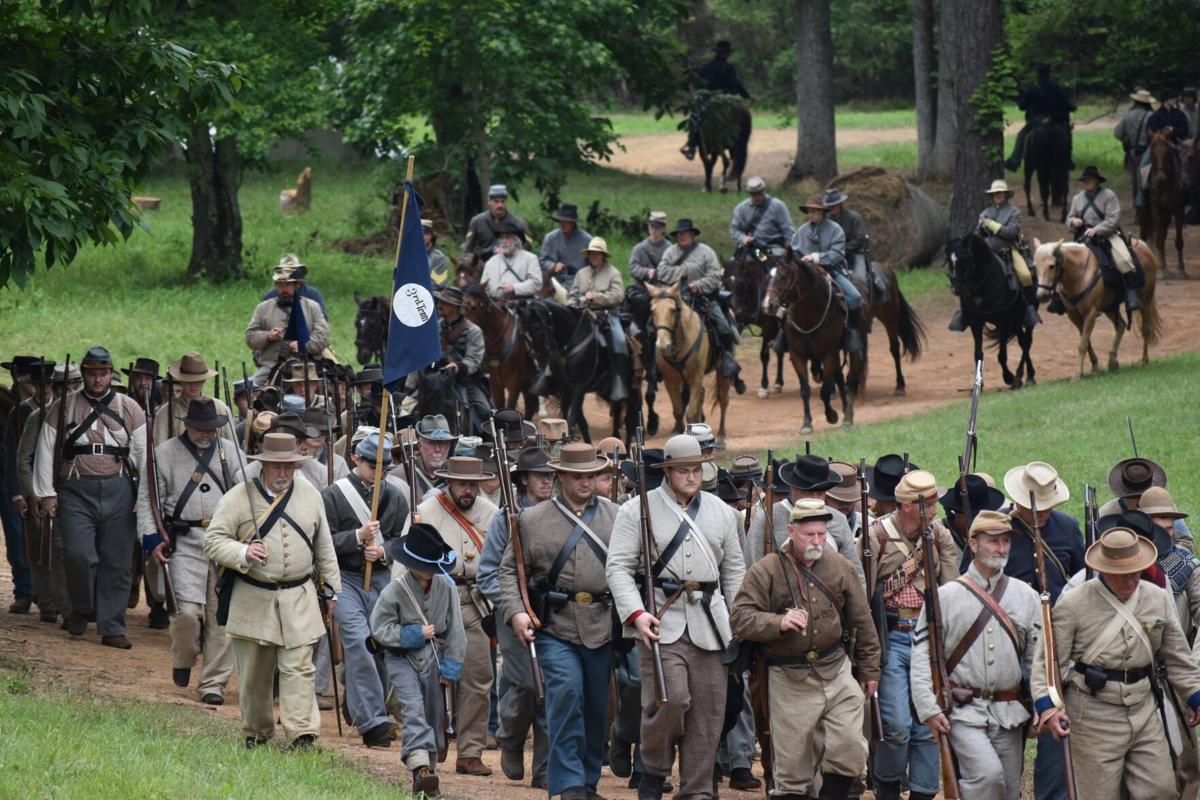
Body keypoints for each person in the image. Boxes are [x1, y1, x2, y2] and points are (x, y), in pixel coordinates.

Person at [606, 434, 747, 800]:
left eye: (696, 469)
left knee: (708, 713)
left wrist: (736, 626)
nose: (691, 476)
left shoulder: (723, 513)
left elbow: (734, 572)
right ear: (667, 472)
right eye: (683, 470)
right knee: (671, 702)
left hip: (712, 626)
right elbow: (619, 568)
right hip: (660, 622)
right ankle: (653, 769)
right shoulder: (636, 510)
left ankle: (697, 791)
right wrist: (636, 613)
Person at [1032, 528, 1200, 800]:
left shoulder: (1156, 597)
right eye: (1124, 574)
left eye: (1137, 571)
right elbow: (1047, 663)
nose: (1132, 579)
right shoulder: (1074, 604)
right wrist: (1048, 707)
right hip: (1093, 714)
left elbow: (1178, 657)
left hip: (1144, 709)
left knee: (1161, 790)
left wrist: (1194, 696)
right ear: (1104, 569)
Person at [731, 499, 881, 800]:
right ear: (790, 531)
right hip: (789, 676)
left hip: (836, 669)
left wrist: (869, 669)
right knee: (793, 772)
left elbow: (862, 620)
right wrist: (778, 621)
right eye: (809, 534)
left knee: (851, 748)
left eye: (822, 534)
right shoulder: (766, 570)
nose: (817, 541)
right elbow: (740, 617)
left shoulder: (841, 567)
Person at [202, 433, 341, 750]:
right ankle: (257, 731)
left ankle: (302, 733)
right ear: (263, 465)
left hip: (300, 595)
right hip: (254, 596)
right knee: (254, 674)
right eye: (277, 467)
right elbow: (212, 541)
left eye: (289, 467)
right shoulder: (238, 497)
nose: (283, 474)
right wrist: (243, 553)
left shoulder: (310, 494)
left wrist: (332, 590)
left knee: (299, 669)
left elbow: (324, 545)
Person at [500, 443, 619, 800]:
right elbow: (509, 571)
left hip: (602, 623)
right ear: (561, 476)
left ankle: (587, 780)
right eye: (578, 476)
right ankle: (568, 784)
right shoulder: (532, 519)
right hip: (554, 625)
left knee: (598, 707)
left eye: (591, 476)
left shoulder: (617, 516)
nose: (585, 483)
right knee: (565, 694)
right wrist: (516, 611)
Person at [910, 510, 1042, 800]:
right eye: (993, 541)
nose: (1001, 548)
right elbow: (922, 655)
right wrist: (929, 708)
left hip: (1009, 711)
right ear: (972, 543)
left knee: (1008, 789)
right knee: (986, 777)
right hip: (963, 711)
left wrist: (1041, 704)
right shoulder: (945, 597)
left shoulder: (1026, 596)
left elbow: (1038, 659)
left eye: (1006, 541)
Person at [33, 347, 147, 648]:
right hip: (75, 488)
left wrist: (144, 497)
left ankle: (112, 626)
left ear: (111, 374)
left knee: (118, 561)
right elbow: (46, 450)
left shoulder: (129, 408)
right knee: (77, 555)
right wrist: (46, 494)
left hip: (119, 487)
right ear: (83, 374)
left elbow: (144, 455)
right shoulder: (63, 407)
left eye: (103, 373)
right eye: (92, 373)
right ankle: (83, 608)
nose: (98, 379)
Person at [986, 460, 1084, 800]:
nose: (1042, 514)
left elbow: (1083, 583)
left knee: (1054, 725)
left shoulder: (1069, 529)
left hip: (1058, 643)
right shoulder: (998, 531)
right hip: (1009, 643)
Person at [136, 398, 243, 704]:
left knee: (221, 619)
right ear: (187, 425)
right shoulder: (164, 454)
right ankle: (184, 658)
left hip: (224, 541)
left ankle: (213, 684)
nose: (205, 434)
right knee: (185, 613)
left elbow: (244, 493)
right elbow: (148, 500)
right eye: (200, 428)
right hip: (182, 541)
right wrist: (152, 539)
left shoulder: (230, 453)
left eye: (210, 429)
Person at [863, 470, 960, 800]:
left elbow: (951, 589)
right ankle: (887, 788)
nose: (934, 511)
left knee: (926, 726)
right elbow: (864, 596)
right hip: (889, 637)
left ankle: (922, 791)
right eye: (928, 505)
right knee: (897, 726)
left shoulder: (939, 535)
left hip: (927, 637)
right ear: (906, 506)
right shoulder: (876, 536)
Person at [322, 431, 408, 747]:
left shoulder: (395, 497)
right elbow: (324, 542)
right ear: (357, 459)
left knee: (383, 646)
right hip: (344, 578)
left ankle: (361, 705)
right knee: (360, 642)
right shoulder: (333, 495)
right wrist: (356, 537)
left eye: (384, 465)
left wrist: (383, 552)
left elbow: (401, 542)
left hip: (380, 579)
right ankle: (374, 721)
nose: (379, 471)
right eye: (373, 464)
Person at [478, 445, 556, 789]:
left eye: (551, 475)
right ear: (523, 480)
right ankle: (510, 737)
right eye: (540, 475)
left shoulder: (559, 514)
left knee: (550, 690)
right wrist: (514, 609)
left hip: (553, 614)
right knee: (525, 685)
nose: (547, 482)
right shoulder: (505, 517)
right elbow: (487, 574)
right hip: (513, 614)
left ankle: (544, 767)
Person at [417, 455, 500, 777]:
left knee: (478, 679)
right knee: (430, 681)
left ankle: (470, 751)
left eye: (473, 484)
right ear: (448, 482)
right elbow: (410, 564)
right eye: (462, 484)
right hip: (435, 601)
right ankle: (431, 745)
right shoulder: (427, 513)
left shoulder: (491, 514)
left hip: (475, 603)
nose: (468, 490)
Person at [370, 522, 465, 795]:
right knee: (412, 711)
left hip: (434, 659)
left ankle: (427, 773)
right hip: (401, 660)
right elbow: (379, 629)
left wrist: (450, 665)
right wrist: (415, 633)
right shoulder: (394, 591)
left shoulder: (446, 588)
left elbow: (456, 630)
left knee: (434, 716)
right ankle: (420, 767)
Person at [744, 455, 865, 590]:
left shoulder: (838, 519)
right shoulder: (767, 518)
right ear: (793, 488)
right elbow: (752, 573)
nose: (814, 500)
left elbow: (855, 576)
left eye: (819, 493)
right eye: (807, 492)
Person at [8, 360, 71, 623]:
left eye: (50, 385)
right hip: (35, 489)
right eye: (41, 384)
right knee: (38, 546)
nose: (45, 390)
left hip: (63, 488)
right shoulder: (24, 413)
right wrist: (23, 493)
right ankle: (46, 601)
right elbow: (18, 458)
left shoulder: (66, 410)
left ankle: (64, 601)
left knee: (63, 548)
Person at [656, 218, 747, 394]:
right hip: (675, 299)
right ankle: (654, 368)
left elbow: (715, 276)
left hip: (702, 298)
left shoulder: (707, 252)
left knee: (722, 326)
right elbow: (662, 272)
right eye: (680, 234)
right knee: (655, 325)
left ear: (692, 234)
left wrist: (699, 285)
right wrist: (685, 271)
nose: (682, 237)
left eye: (686, 234)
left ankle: (728, 362)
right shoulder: (670, 253)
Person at [958, 179, 1040, 330]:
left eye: (1000, 193)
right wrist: (981, 230)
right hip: (986, 254)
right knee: (967, 275)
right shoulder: (985, 213)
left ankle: (1029, 309)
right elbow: (978, 235)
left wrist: (992, 225)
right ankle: (964, 312)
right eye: (995, 193)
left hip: (1007, 250)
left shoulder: (1014, 211)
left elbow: (1012, 232)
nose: (997, 195)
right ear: (992, 195)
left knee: (1026, 276)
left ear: (1005, 195)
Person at [791, 195, 864, 353]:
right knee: (784, 295)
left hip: (830, 271)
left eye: (815, 211)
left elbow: (838, 253)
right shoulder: (802, 231)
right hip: (805, 274)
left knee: (855, 297)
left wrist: (816, 257)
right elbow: (794, 251)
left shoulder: (835, 229)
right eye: (809, 211)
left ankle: (852, 333)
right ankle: (784, 336)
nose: (812, 215)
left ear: (823, 212)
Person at [1066, 166, 1142, 314]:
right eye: (1084, 180)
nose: (1086, 183)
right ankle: (1060, 299)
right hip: (1083, 236)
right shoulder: (1077, 198)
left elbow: (1113, 220)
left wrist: (1097, 230)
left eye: (1088, 180)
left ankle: (1130, 293)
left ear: (1096, 181)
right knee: (1064, 259)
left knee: (1124, 260)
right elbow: (1069, 218)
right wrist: (1073, 222)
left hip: (1107, 235)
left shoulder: (1109, 196)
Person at [244, 258, 330, 385]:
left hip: (309, 365)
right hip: (271, 366)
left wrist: (303, 345)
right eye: (280, 285)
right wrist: (268, 336)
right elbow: (250, 336)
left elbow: (322, 337)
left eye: (288, 285)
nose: (284, 289)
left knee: (331, 387)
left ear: (297, 285)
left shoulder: (313, 307)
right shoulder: (263, 308)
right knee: (249, 392)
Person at [569, 236, 628, 401]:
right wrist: (575, 302)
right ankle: (550, 375)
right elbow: (572, 294)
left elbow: (617, 296)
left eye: (597, 253)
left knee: (620, 341)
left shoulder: (613, 273)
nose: (594, 256)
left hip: (607, 315)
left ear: (603, 256)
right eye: (591, 253)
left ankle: (618, 378)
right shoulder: (581, 273)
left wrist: (596, 296)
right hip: (583, 314)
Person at [681, 41, 751, 161]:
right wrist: (746, 95)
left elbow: (698, 82)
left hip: (706, 99)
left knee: (695, 118)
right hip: (725, 99)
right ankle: (735, 149)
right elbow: (736, 84)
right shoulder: (729, 68)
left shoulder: (706, 67)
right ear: (727, 53)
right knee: (738, 120)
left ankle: (692, 146)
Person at [1006, 63, 1077, 173]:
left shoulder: (1033, 89)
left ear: (1038, 74)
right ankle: (1068, 161)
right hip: (1055, 120)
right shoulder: (1057, 88)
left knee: (1021, 136)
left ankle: (1015, 161)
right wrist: (1073, 107)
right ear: (1049, 73)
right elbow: (1066, 105)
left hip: (1037, 121)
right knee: (1067, 134)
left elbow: (1022, 106)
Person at [153, 352, 232, 444]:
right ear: (181, 380)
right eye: (189, 380)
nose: (193, 385)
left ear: (204, 380)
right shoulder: (166, 412)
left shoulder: (220, 408)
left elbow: (232, 450)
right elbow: (160, 450)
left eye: (198, 380)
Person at [728, 177, 795, 258]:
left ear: (764, 191)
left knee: (774, 268)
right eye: (754, 195)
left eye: (760, 194)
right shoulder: (741, 208)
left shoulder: (778, 206)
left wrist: (790, 248)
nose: (757, 197)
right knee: (732, 268)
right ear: (749, 194)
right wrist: (743, 238)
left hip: (773, 248)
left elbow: (788, 230)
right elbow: (734, 229)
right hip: (752, 249)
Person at [1114, 89, 1157, 209]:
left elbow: (1117, 133)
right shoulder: (1151, 115)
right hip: (1147, 151)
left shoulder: (1128, 114)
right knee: (1147, 180)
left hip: (1131, 152)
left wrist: (1126, 140)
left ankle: (1136, 206)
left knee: (1135, 181)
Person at [463, 184, 528, 259]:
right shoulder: (477, 221)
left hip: (511, 263)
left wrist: (511, 251)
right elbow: (468, 248)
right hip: (483, 264)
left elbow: (527, 246)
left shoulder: (517, 222)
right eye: (496, 201)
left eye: (502, 201)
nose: (500, 205)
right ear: (489, 201)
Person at [480, 223, 543, 300]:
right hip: (494, 307)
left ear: (516, 240)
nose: (504, 241)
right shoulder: (491, 262)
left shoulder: (530, 258)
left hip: (520, 306)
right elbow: (483, 288)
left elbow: (537, 284)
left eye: (507, 238)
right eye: (501, 238)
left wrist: (514, 288)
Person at [540, 204, 593, 289]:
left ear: (573, 222)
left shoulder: (588, 240)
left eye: (566, 222)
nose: (562, 224)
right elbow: (543, 260)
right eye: (561, 221)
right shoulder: (550, 238)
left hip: (579, 281)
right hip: (554, 280)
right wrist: (553, 266)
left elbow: (593, 265)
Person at [260, 253, 329, 318]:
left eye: (293, 270)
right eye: (287, 271)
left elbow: (322, 319)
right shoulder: (269, 297)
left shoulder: (313, 295)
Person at [628, 211, 671, 284]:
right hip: (643, 286)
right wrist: (646, 272)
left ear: (663, 228)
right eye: (652, 227)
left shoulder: (670, 249)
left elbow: (675, 269)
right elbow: (632, 268)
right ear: (648, 227)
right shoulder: (639, 248)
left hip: (664, 287)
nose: (654, 230)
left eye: (657, 227)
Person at [424, 219, 451, 287]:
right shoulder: (410, 256)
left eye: (426, 233)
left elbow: (439, 284)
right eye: (418, 233)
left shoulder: (438, 258)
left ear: (431, 236)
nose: (422, 236)